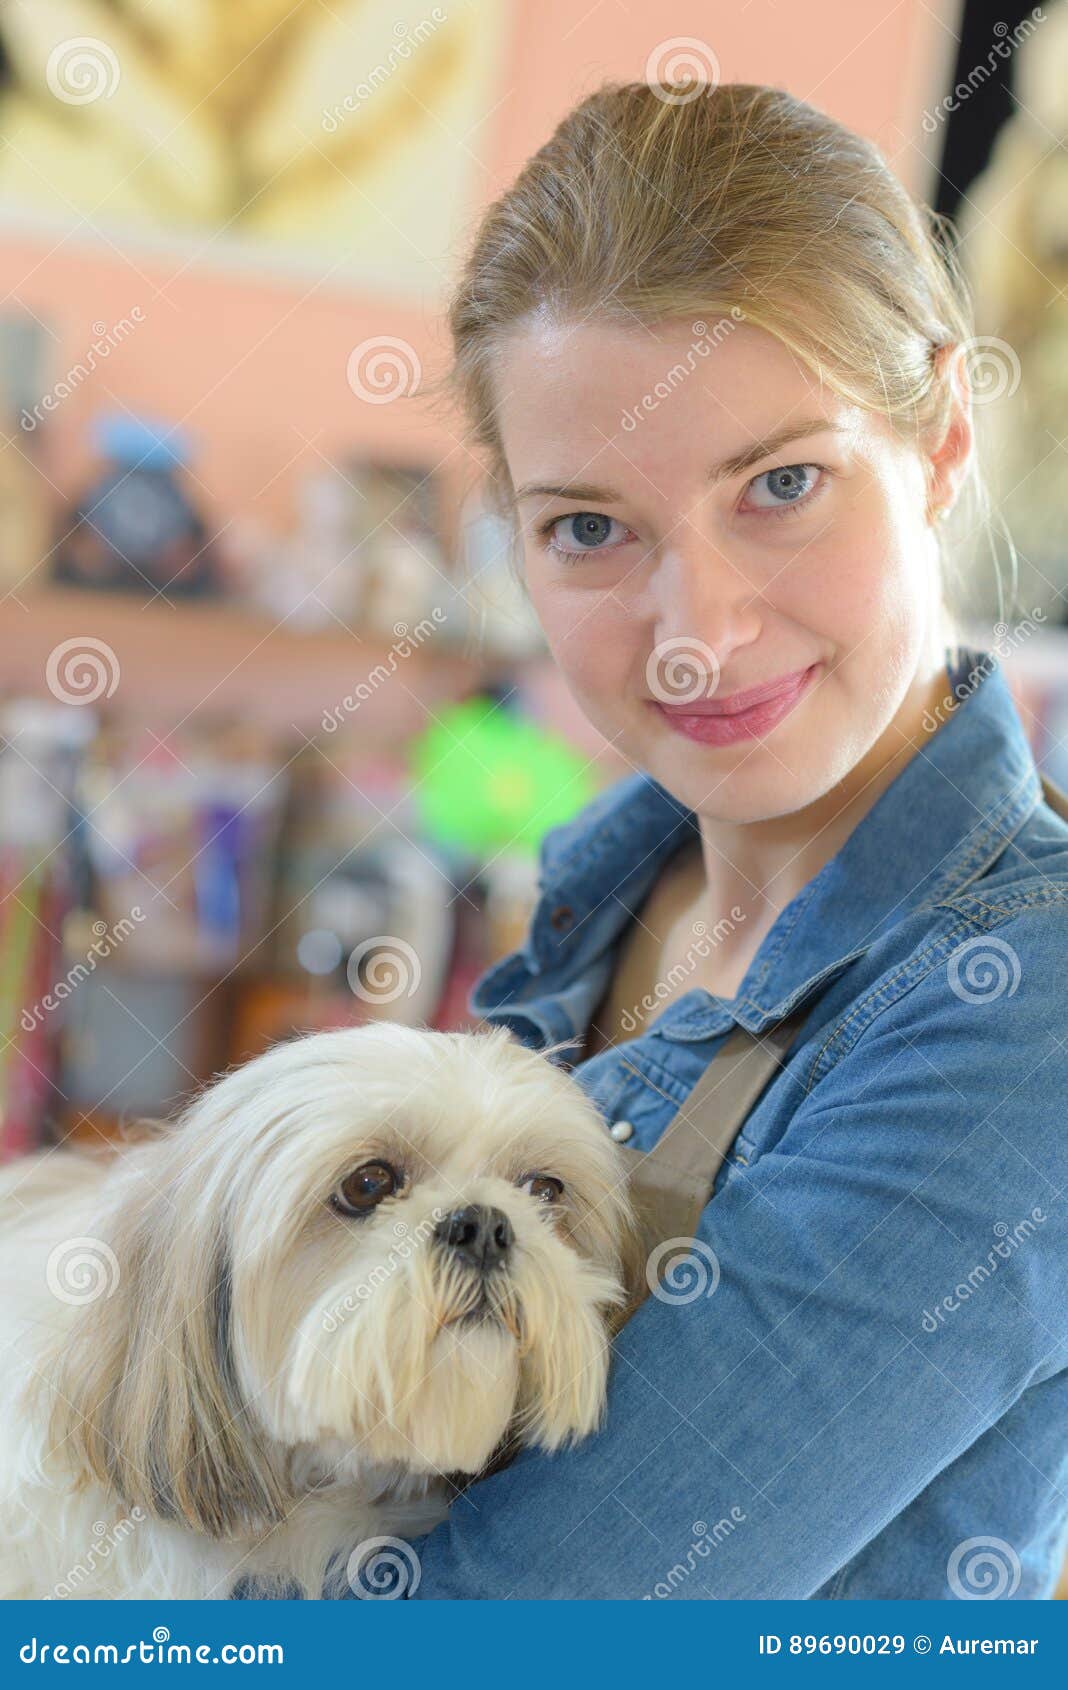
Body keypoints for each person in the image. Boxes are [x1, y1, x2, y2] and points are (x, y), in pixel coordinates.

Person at [346, 79, 1068, 1600]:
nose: (699, 636)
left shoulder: (1028, 1008)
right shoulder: (606, 905)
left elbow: (523, 1623)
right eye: (589, 528)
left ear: (939, 440)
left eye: (783, 486)